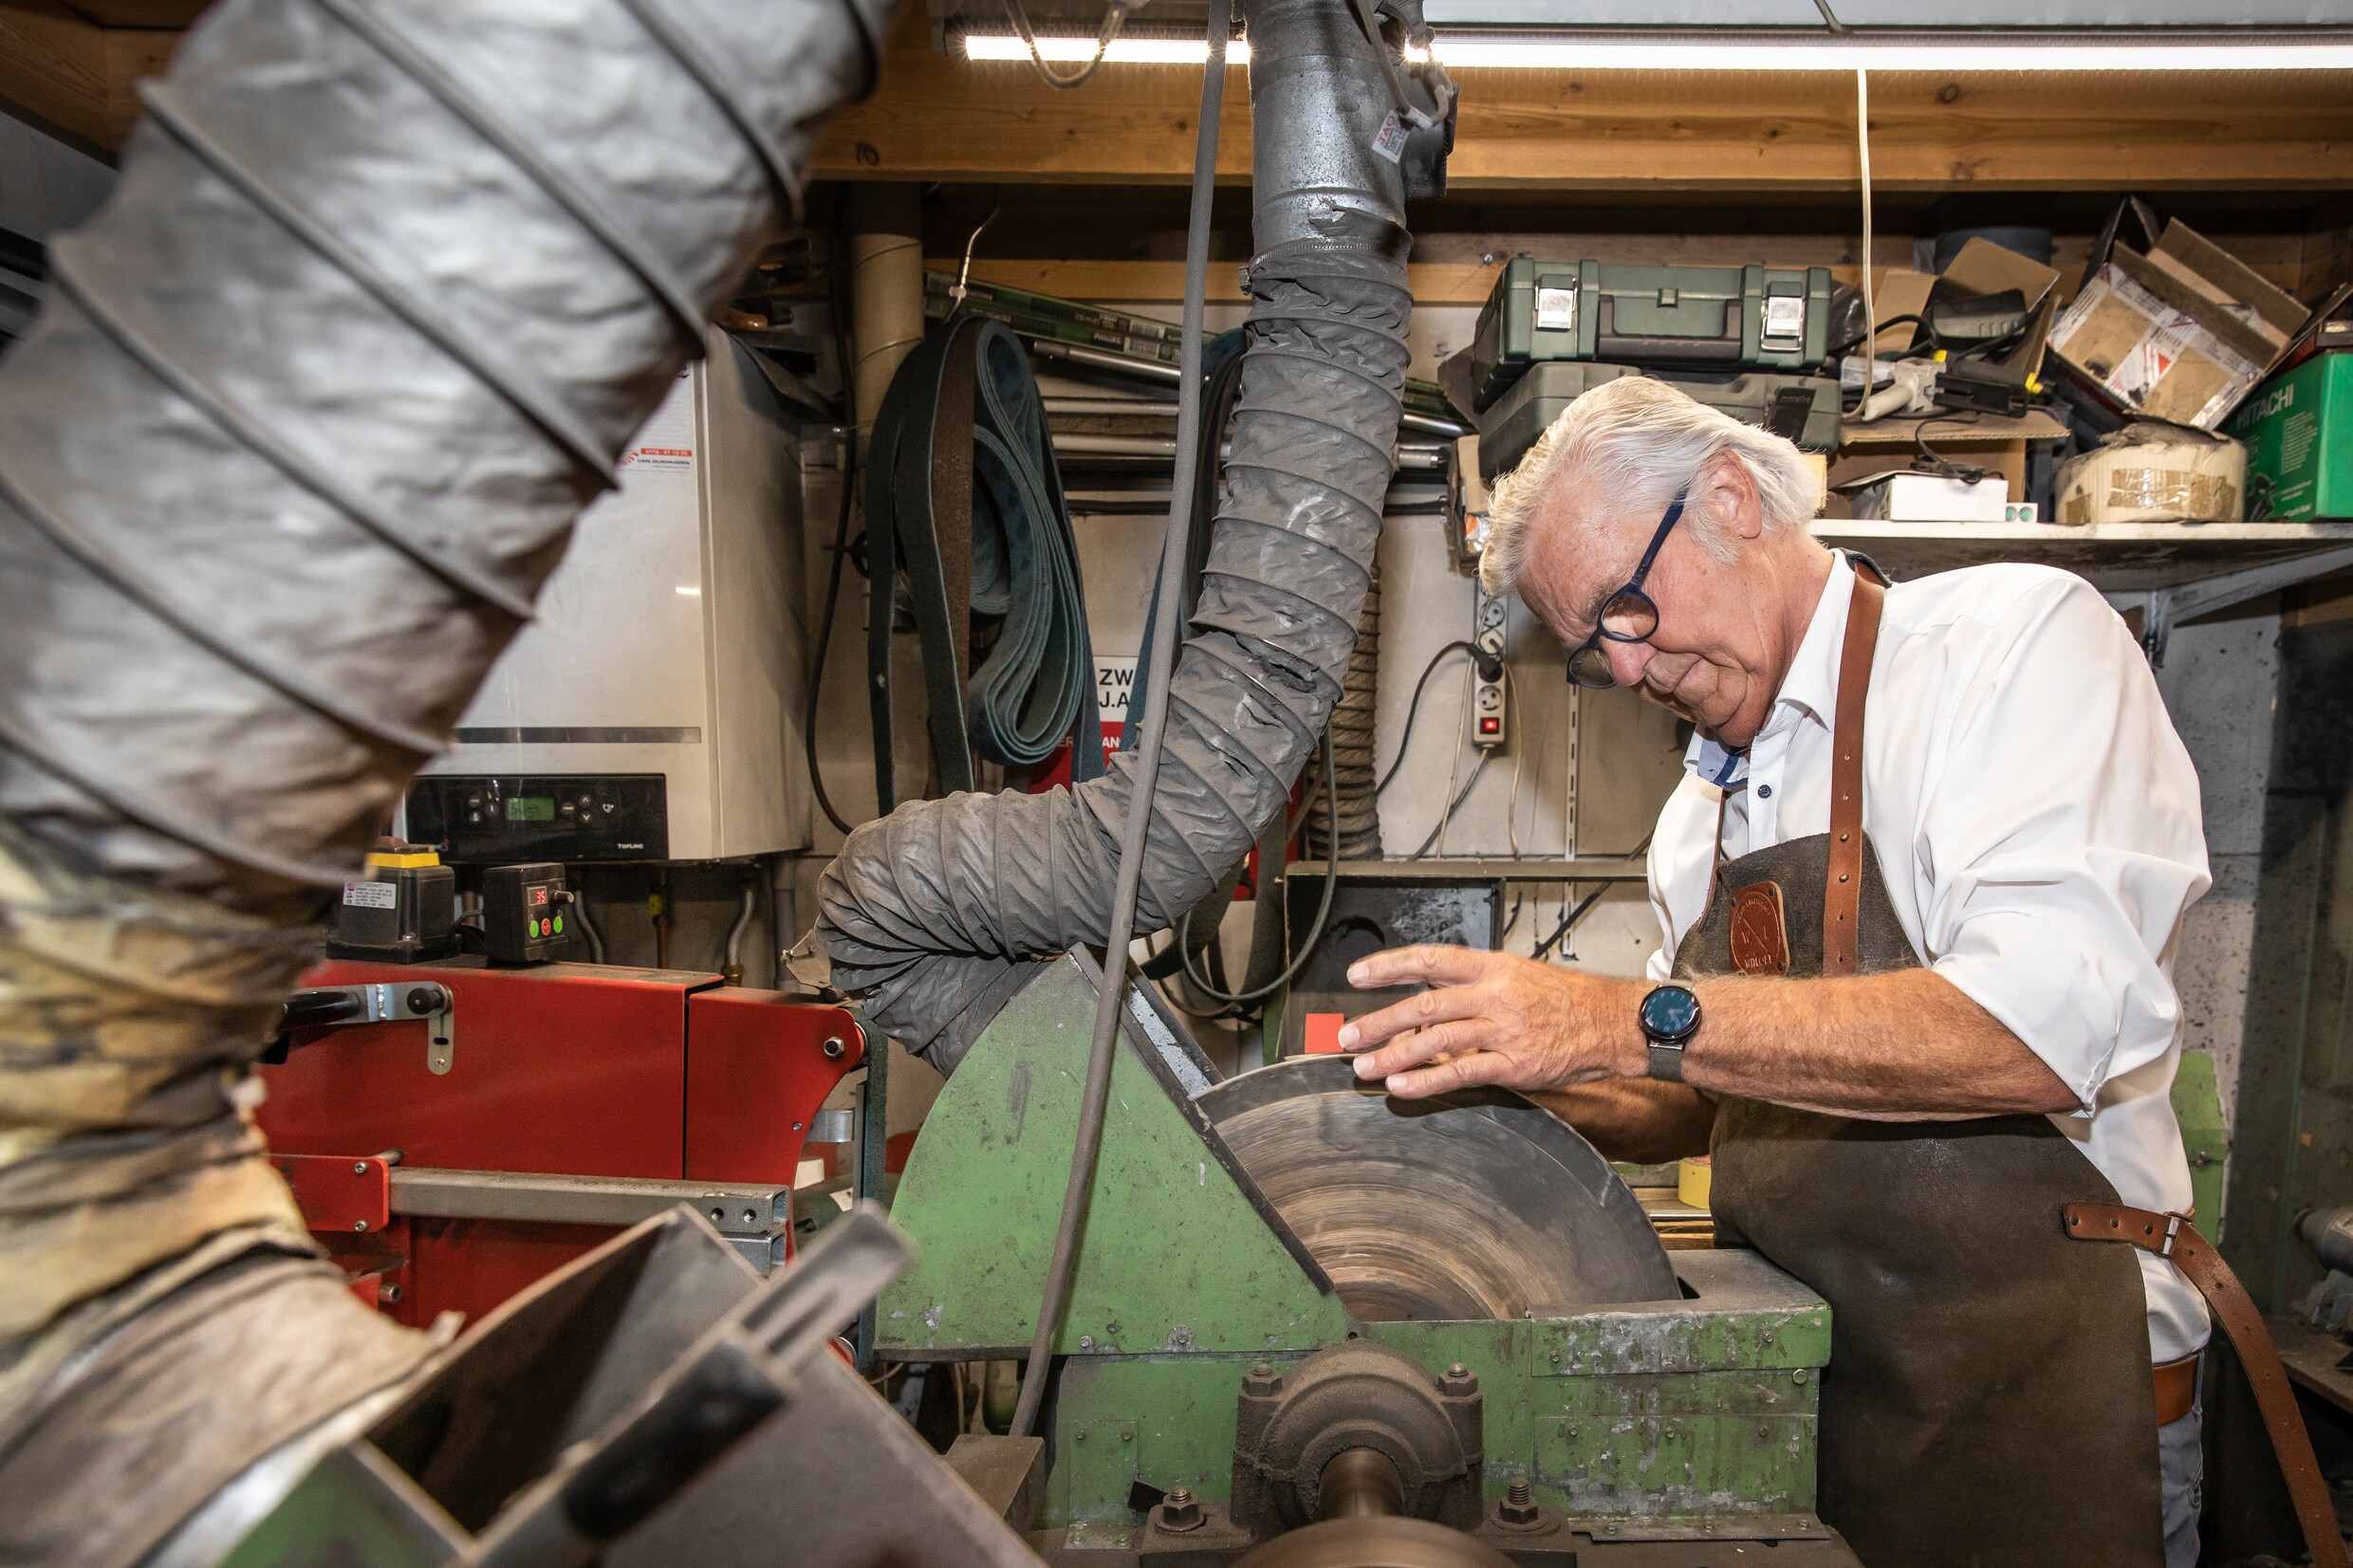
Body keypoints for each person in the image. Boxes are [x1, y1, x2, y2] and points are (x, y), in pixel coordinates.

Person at [1338, 377, 2211, 1567]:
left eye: (1626, 611)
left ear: (1732, 500)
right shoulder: (1700, 812)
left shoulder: (2003, 655)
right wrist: (1497, 1067)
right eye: (1596, 651)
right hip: (1816, 1398)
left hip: (2048, 1402)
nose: (1631, 672)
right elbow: (1690, 1089)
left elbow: (2032, 1031)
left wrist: (1609, 1014)